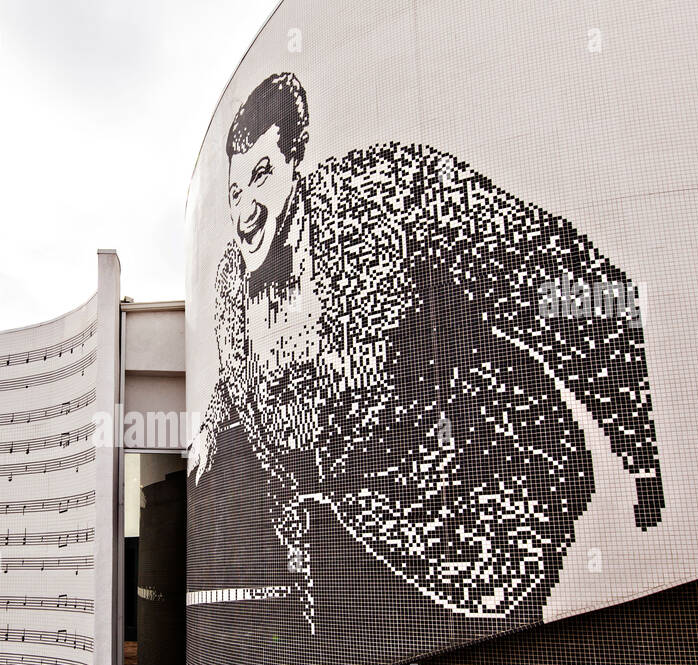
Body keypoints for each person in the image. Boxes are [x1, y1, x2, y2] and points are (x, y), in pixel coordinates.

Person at [190, 72, 665, 634]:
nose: (245, 209)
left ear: (297, 160)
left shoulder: (386, 198)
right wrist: (211, 429)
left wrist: (637, 447)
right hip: (353, 546)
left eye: (261, 176)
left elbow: (550, 274)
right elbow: (248, 386)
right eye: (234, 191)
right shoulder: (228, 283)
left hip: (481, 518)